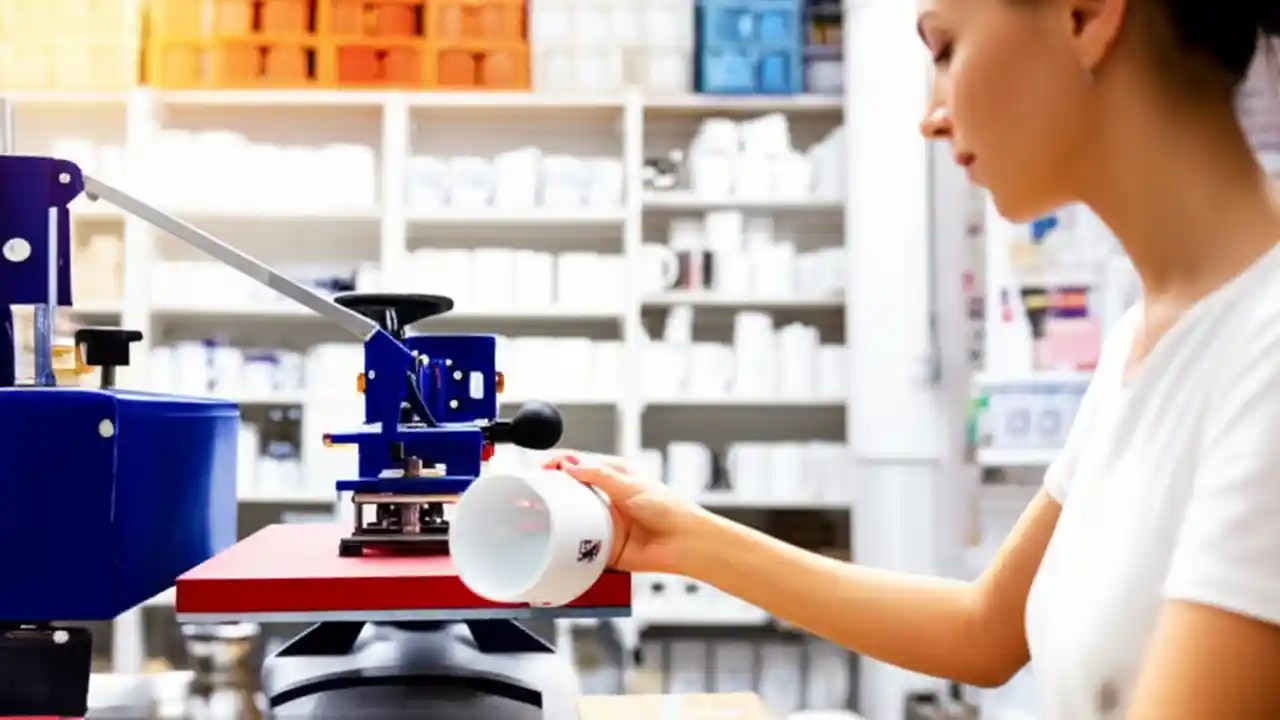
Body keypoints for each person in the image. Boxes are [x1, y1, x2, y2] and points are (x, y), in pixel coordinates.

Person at [545, 1, 1280, 718]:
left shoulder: (1266, 346)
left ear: (1084, 16)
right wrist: (685, 538)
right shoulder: (1146, 335)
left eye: (946, 49)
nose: (931, 116)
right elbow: (985, 630)